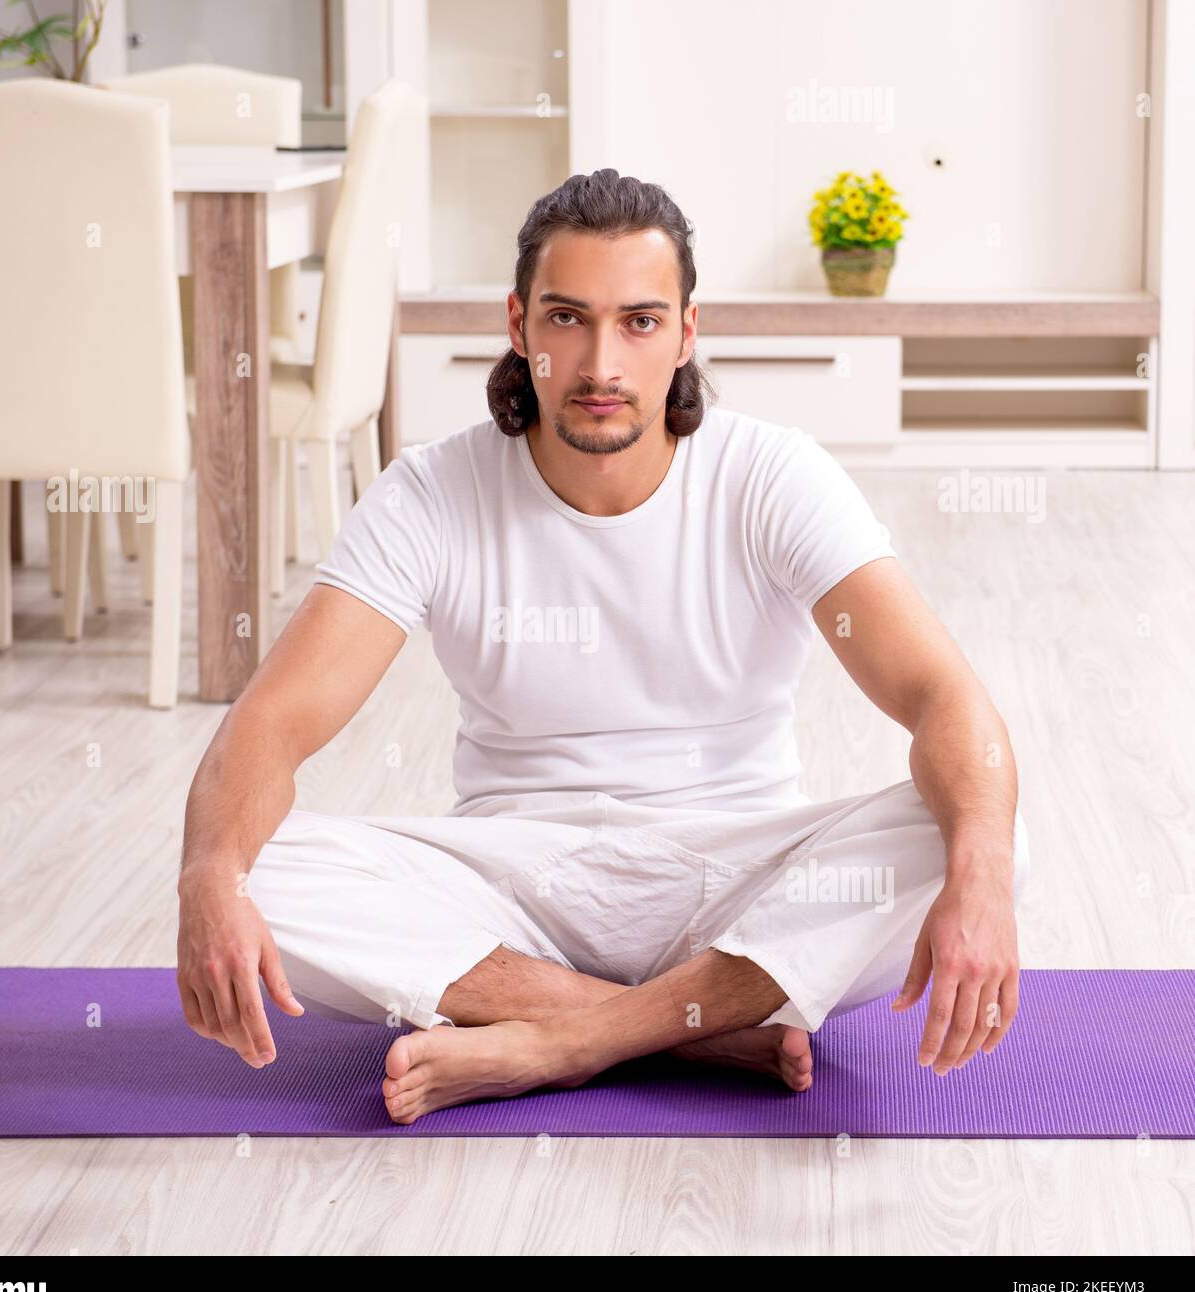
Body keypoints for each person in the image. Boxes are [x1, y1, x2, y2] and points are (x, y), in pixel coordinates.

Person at [176, 168, 1030, 1125]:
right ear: (518, 324)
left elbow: (942, 696)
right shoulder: (432, 493)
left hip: (733, 880)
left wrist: (984, 872)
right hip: (515, 889)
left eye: (639, 321)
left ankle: (571, 1041)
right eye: (568, 318)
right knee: (249, 859)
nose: (600, 365)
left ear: (687, 332)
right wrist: (214, 872)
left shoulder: (771, 477)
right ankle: (688, 1029)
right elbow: (273, 723)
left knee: (979, 828)